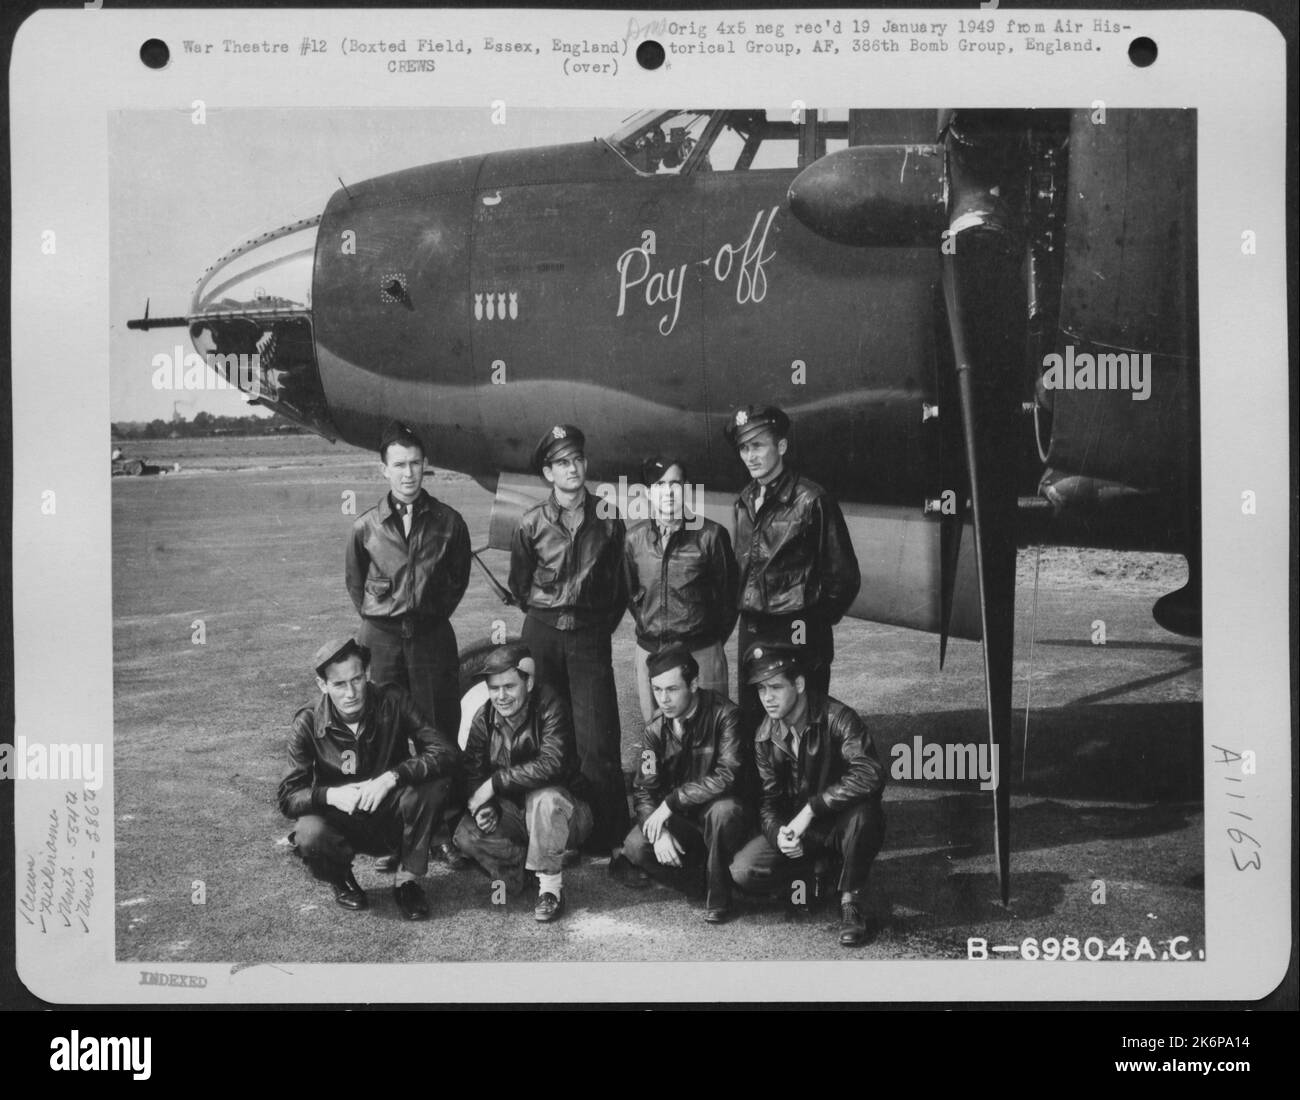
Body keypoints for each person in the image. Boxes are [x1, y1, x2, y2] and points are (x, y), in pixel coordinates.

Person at [277, 637, 460, 919]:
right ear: (322, 685)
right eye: (339, 684)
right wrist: (331, 795)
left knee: (433, 785)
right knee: (309, 833)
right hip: (342, 820)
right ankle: (342, 881)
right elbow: (289, 797)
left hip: (391, 813)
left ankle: (406, 881)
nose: (351, 692)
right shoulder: (307, 721)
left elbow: (444, 752)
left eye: (357, 679)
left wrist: (392, 777)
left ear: (368, 674)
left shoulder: (392, 699)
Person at [508, 424, 629, 850]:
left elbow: (619, 588)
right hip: (542, 633)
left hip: (588, 636)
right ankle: (555, 829)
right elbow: (521, 586)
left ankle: (611, 839)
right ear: (548, 473)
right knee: (548, 733)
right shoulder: (531, 522)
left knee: (599, 739)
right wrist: (547, 617)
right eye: (562, 463)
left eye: (577, 459)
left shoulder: (609, 519)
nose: (572, 468)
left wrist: (594, 626)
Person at [729, 643, 886, 947]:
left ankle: (850, 903)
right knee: (743, 870)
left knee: (865, 815)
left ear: (799, 684)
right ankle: (815, 872)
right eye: (761, 690)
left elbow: (871, 772)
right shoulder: (764, 735)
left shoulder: (838, 717)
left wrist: (813, 808)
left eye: (775, 687)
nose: (767, 698)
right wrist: (779, 837)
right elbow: (768, 802)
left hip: (839, 823)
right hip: (801, 832)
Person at [725, 406, 860, 732]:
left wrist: (810, 621)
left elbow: (843, 576)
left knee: (804, 732)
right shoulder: (743, 501)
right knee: (756, 730)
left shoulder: (811, 500)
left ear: (781, 446)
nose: (750, 456)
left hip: (796, 633)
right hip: (754, 631)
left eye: (758, 446)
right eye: (744, 448)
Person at [345, 420, 471, 742]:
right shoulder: (366, 527)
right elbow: (357, 584)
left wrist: (426, 613)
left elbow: (457, 581)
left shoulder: (450, 522)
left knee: (438, 729)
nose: (408, 473)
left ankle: (442, 792)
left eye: (415, 463)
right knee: (384, 730)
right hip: (381, 642)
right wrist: (387, 616)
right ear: (384, 469)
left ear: (425, 465)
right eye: (399, 464)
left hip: (431, 640)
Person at [453, 643, 593, 922]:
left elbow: (552, 765)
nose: (501, 696)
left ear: (528, 683)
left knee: (545, 799)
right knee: (464, 834)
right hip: (515, 815)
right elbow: (472, 772)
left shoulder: (551, 706)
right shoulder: (485, 717)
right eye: (494, 688)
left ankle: (551, 889)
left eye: (509, 686)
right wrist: (486, 807)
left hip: (566, 813)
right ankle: (524, 869)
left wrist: (495, 784)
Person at [618, 645, 749, 923]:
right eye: (657, 690)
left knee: (724, 810)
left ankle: (720, 899)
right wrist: (661, 832)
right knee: (636, 845)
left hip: (722, 816)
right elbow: (644, 789)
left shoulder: (725, 715)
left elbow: (728, 776)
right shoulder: (655, 729)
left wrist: (671, 803)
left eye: (672, 690)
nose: (663, 700)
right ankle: (703, 881)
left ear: (694, 683)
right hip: (682, 820)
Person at [624, 456, 738, 724]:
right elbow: (632, 595)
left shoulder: (711, 536)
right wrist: (651, 627)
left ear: (686, 488)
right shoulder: (633, 539)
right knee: (658, 733)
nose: (669, 492)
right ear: (649, 492)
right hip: (651, 652)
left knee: (710, 731)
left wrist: (706, 639)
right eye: (660, 485)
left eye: (675, 483)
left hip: (700, 651)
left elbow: (728, 599)